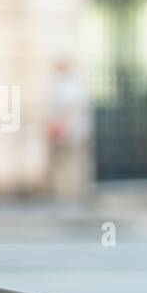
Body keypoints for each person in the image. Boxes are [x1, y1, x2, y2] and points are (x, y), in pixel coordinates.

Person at [46, 57, 92, 201]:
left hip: (70, 132)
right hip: (74, 131)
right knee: (73, 162)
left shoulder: (67, 85)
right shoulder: (74, 83)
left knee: (70, 163)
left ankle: (72, 192)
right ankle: (72, 192)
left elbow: (70, 110)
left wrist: (61, 128)